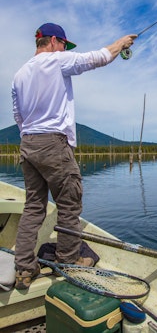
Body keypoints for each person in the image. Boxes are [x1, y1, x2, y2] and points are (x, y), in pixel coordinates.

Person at [11, 23, 137, 290]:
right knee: (69, 203)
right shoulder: (57, 61)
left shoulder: (19, 74)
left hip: (28, 142)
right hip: (53, 143)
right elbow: (97, 58)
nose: (65, 50)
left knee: (34, 206)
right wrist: (120, 43)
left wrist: (31, 139)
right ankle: (68, 260)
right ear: (54, 41)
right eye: (65, 45)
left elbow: (18, 116)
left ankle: (23, 267)